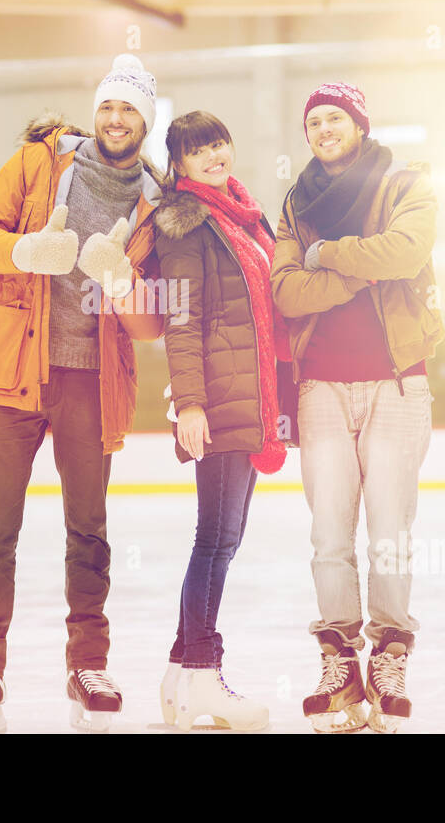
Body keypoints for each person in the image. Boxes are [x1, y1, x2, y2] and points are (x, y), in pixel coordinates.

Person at [0, 54, 165, 733]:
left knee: (89, 530)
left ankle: (88, 662)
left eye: (129, 109)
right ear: (95, 112)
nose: (116, 119)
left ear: (145, 122)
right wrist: (22, 252)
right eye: (108, 106)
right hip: (14, 372)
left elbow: (153, 323)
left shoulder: (157, 200)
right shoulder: (40, 164)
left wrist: (124, 285)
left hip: (91, 382)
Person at [270, 82, 443, 733]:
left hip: (397, 383)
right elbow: (287, 292)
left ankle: (390, 655)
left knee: (390, 529)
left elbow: (408, 252)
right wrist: (363, 270)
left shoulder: (404, 185)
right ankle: (338, 660)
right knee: (329, 536)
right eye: (312, 120)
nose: (322, 128)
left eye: (334, 117)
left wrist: (330, 257)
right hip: (320, 386)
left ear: (360, 124)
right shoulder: (297, 201)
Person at [153, 111, 289, 733]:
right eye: (197, 149)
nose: (213, 155)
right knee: (215, 540)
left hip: (250, 398)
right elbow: (181, 320)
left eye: (218, 143)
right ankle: (203, 673)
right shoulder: (185, 224)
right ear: (179, 164)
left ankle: (182, 674)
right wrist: (191, 404)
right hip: (219, 400)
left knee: (222, 539)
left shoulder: (243, 215)